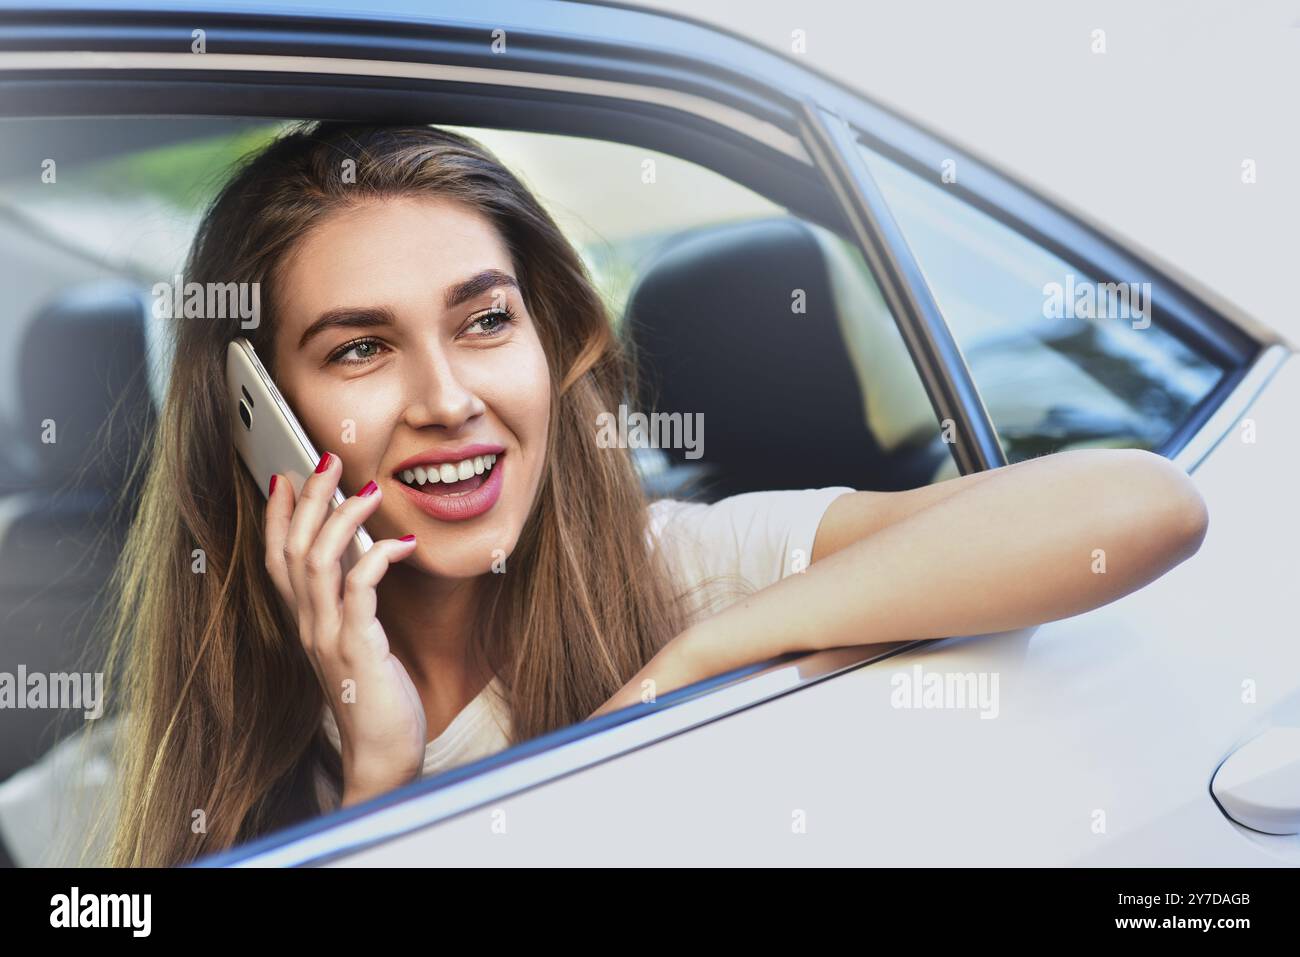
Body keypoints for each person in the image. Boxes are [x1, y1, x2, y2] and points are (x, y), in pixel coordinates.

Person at [0, 122, 1209, 868]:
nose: (447, 397)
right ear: (263, 422)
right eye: (360, 349)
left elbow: (1141, 507)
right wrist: (379, 782)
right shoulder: (145, 767)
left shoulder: (684, 570)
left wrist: (694, 665)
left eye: (486, 321)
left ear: (550, 343)